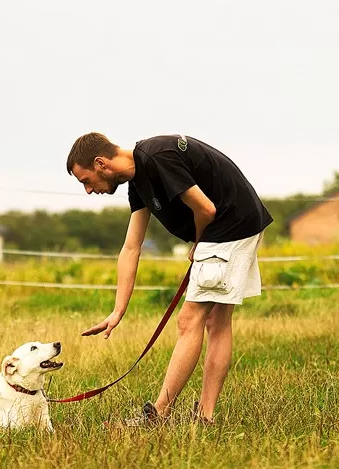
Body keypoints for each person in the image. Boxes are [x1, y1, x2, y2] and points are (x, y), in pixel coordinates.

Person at [66, 133, 273, 426]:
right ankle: (205, 416)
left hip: (230, 225)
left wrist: (199, 245)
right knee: (216, 321)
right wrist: (118, 310)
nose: (88, 190)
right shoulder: (139, 180)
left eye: (85, 180)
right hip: (240, 221)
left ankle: (160, 413)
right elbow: (131, 247)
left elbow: (206, 209)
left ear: (101, 164)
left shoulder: (157, 157)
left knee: (189, 321)